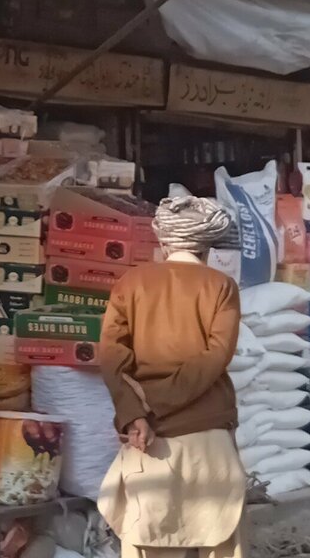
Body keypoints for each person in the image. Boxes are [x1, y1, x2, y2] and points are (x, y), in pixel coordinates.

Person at [97, 195, 246, 558]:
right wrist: (150, 409)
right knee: (219, 540)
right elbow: (215, 358)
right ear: (206, 247)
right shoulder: (221, 287)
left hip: (147, 438)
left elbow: (111, 355)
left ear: (163, 242)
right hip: (208, 438)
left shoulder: (130, 282)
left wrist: (138, 412)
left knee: (149, 538)